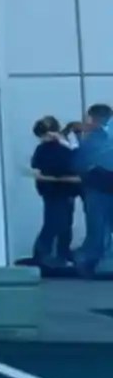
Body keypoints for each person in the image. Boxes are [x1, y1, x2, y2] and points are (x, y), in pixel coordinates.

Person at [30, 116, 80, 267]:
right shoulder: (51, 148)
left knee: (60, 224)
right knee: (56, 223)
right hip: (56, 191)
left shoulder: (60, 147)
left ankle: (57, 254)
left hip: (59, 190)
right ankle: (50, 254)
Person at [74, 104, 113, 277]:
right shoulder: (96, 135)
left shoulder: (97, 137)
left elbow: (80, 161)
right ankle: (103, 261)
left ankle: (94, 262)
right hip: (101, 185)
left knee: (98, 226)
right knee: (102, 226)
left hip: (98, 187)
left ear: (93, 118)